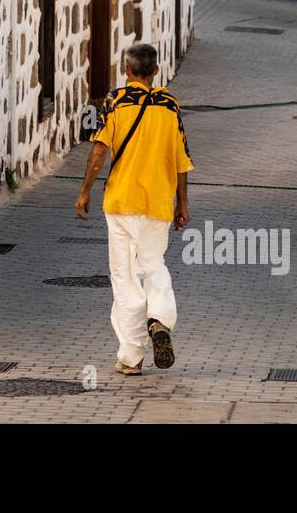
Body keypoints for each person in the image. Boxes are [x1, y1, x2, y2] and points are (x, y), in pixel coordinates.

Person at [75, 43, 192, 376]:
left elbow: (99, 150)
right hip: (158, 203)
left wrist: (84, 191)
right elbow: (181, 160)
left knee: (125, 277)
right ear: (156, 72)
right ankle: (160, 319)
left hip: (122, 202)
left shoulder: (115, 102)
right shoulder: (170, 105)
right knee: (154, 266)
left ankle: (131, 357)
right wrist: (182, 202)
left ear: (126, 71)